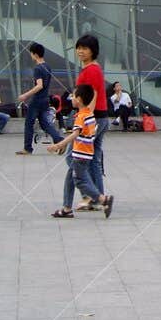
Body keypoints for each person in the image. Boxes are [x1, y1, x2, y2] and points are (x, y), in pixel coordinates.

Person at [48, 84, 113, 220]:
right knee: (69, 179)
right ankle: (66, 209)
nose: (71, 98)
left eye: (73, 96)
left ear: (79, 99)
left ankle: (102, 199)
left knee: (79, 181)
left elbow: (75, 134)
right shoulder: (89, 114)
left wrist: (59, 144)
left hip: (79, 155)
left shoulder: (80, 116)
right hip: (87, 154)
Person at [74, 35, 110, 197]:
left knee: (75, 159)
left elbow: (93, 96)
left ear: (93, 51)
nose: (80, 51)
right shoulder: (92, 68)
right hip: (99, 118)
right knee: (94, 159)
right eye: (79, 48)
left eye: (85, 48)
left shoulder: (92, 70)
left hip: (94, 118)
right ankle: (97, 197)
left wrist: (86, 119)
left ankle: (91, 196)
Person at [16, 42, 65, 155]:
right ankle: (60, 141)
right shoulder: (47, 66)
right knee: (45, 123)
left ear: (35, 54)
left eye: (31, 53)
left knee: (29, 123)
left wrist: (25, 95)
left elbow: (39, 85)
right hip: (45, 100)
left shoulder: (38, 68)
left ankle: (27, 148)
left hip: (37, 100)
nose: (31, 55)